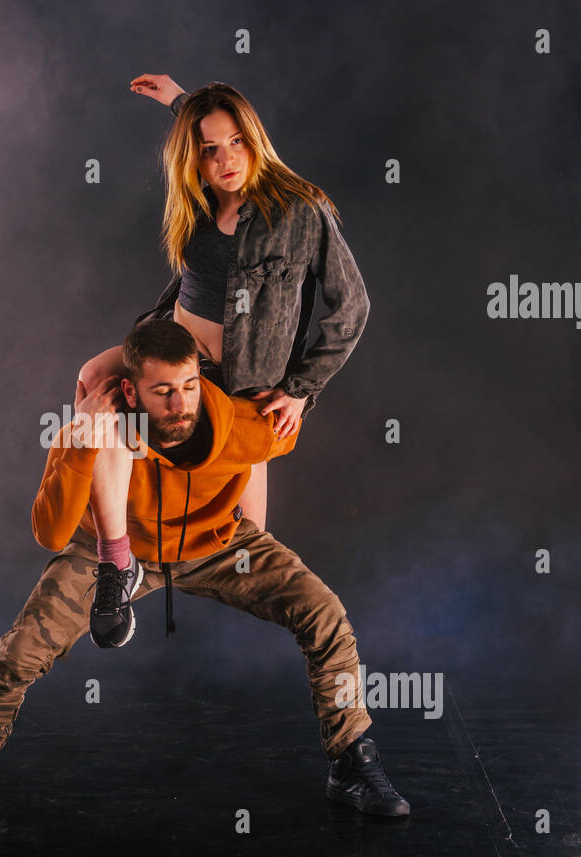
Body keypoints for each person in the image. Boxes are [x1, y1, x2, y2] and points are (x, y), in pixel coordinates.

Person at [0, 320, 409, 818]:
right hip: (115, 552)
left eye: (187, 387)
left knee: (326, 616)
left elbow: (282, 431)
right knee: (22, 650)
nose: (179, 405)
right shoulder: (97, 430)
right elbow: (51, 534)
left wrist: (297, 397)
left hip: (218, 546)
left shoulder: (229, 423)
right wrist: (79, 442)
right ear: (129, 390)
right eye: (162, 392)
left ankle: (350, 761)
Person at [76, 75, 371, 647]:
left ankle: (165, 535)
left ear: (254, 139)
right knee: (95, 382)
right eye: (209, 150)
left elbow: (351, 306)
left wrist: (302, 388)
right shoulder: (199, 202)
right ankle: (117, 557)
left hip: (235, 379)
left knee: (245, 537)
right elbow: (189, 279)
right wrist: (178, 102)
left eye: (235, 142)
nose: (225, 159)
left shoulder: (299, 211)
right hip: (173, 345)